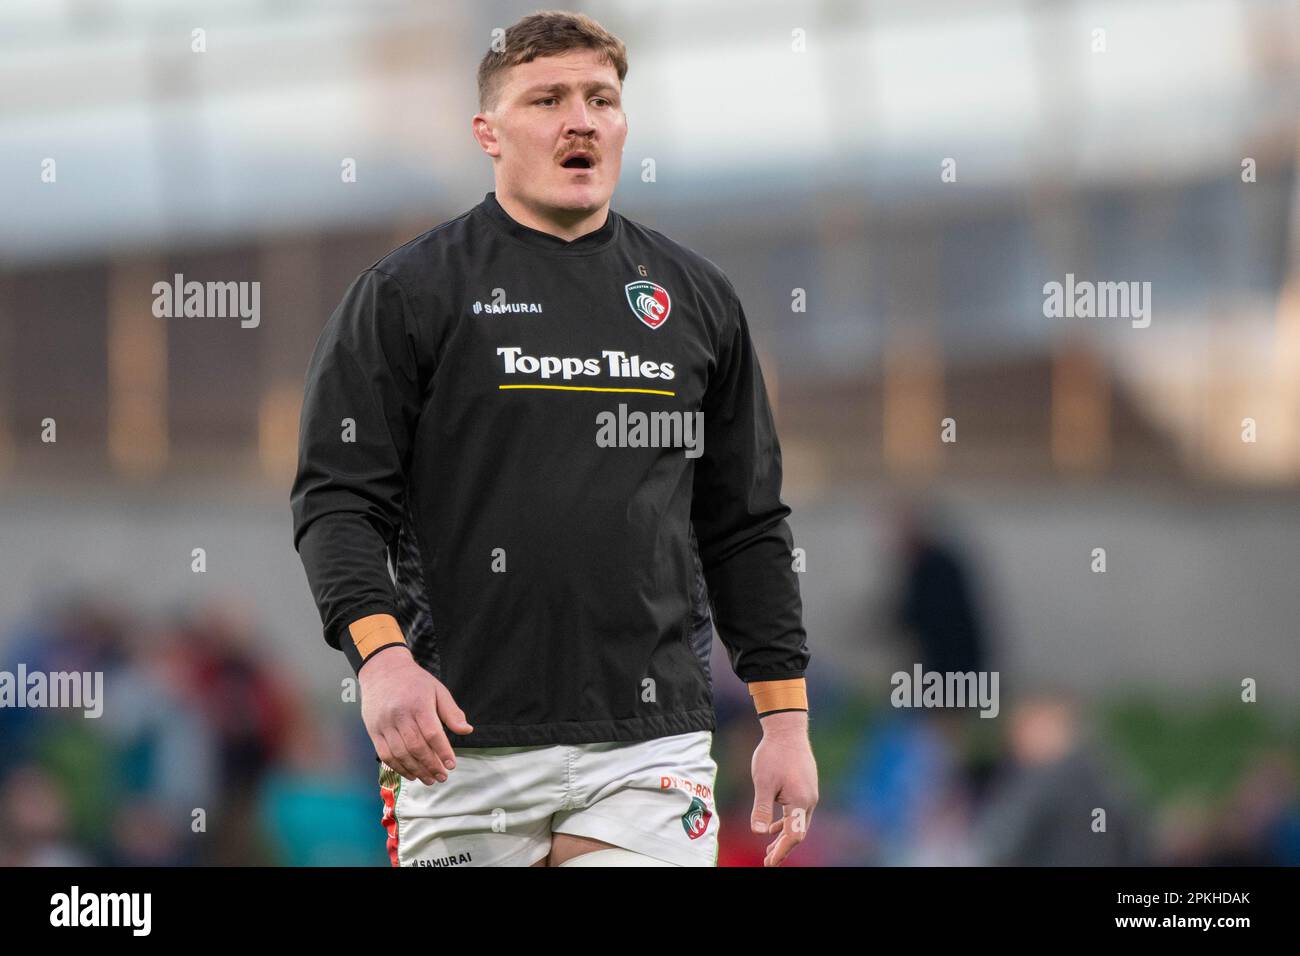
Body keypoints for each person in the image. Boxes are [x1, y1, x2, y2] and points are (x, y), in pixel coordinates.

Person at [290, 10, 815, 867]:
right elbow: (337, 501)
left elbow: (746, 524)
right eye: (548, 100)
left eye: (600, 98)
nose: (580, 119)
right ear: (487, 133)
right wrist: (381, 661)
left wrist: (783, 721)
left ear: (622, 123)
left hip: (650, 744)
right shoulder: (407, 295)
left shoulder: (696, 299)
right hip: (462, 740)